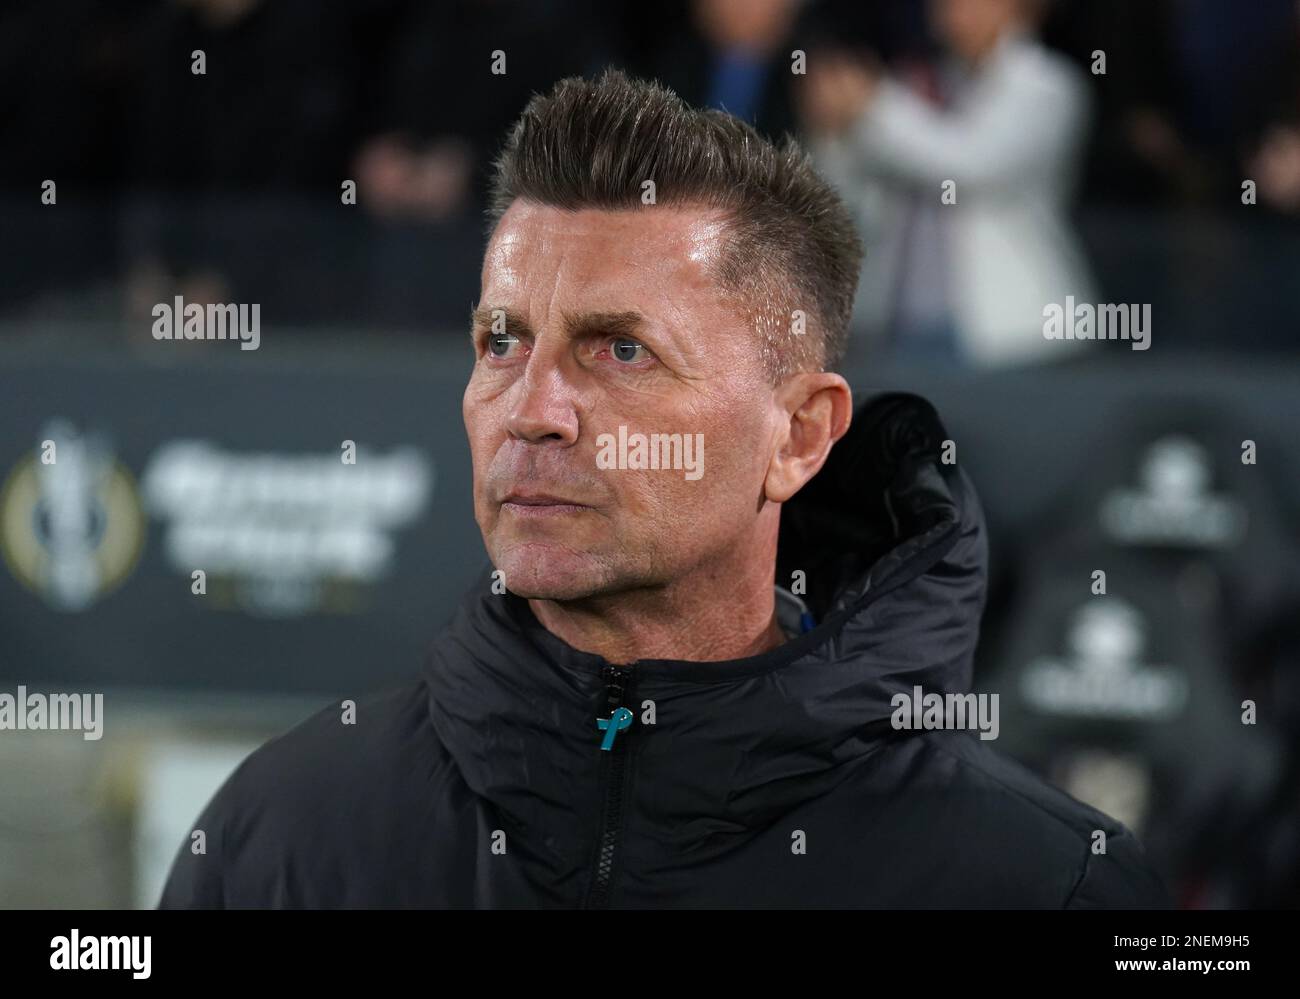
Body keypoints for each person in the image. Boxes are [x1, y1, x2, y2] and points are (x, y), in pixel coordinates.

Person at [159, 69, 1168, 908]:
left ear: (800, 435)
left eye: (622, 351)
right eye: (502, 341)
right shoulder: (276, 837)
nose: (534, 409)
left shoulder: (1046, 885)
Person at [800, 0, 1096, 366]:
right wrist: (833, 128)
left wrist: (869, 105)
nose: (954, 10)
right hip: (898, 315)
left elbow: (969, 163)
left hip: (1012, 330)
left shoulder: (1047, 84)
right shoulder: (913, 85)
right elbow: (845, 193)